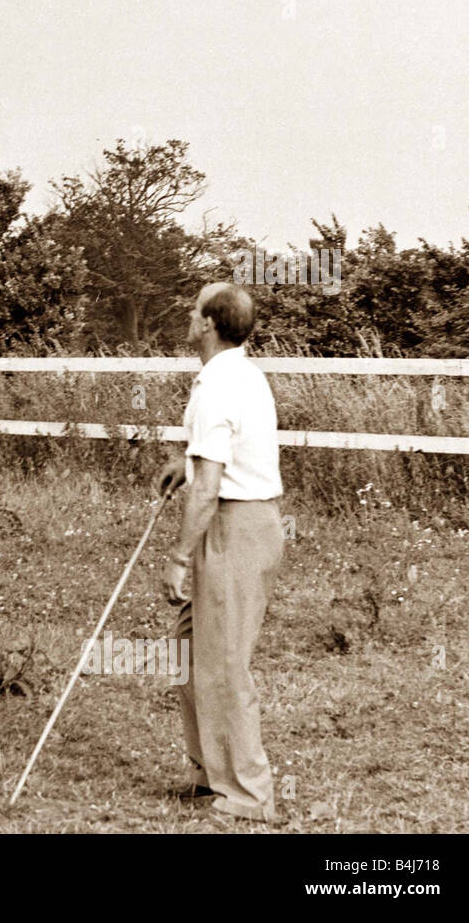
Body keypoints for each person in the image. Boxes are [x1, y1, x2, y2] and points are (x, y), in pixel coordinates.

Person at [156, 281, 284, 823]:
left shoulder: (219, 386)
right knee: (190, 650)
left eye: (193, 312)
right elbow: (217, 457)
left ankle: (250, 797)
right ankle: (209, 774)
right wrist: (184, 462)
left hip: (237, 525)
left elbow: (209, 489)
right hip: (233, 520)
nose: (189, 319)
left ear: (208, 322)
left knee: (226, 664)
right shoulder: (235, 374)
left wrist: (179, 558)